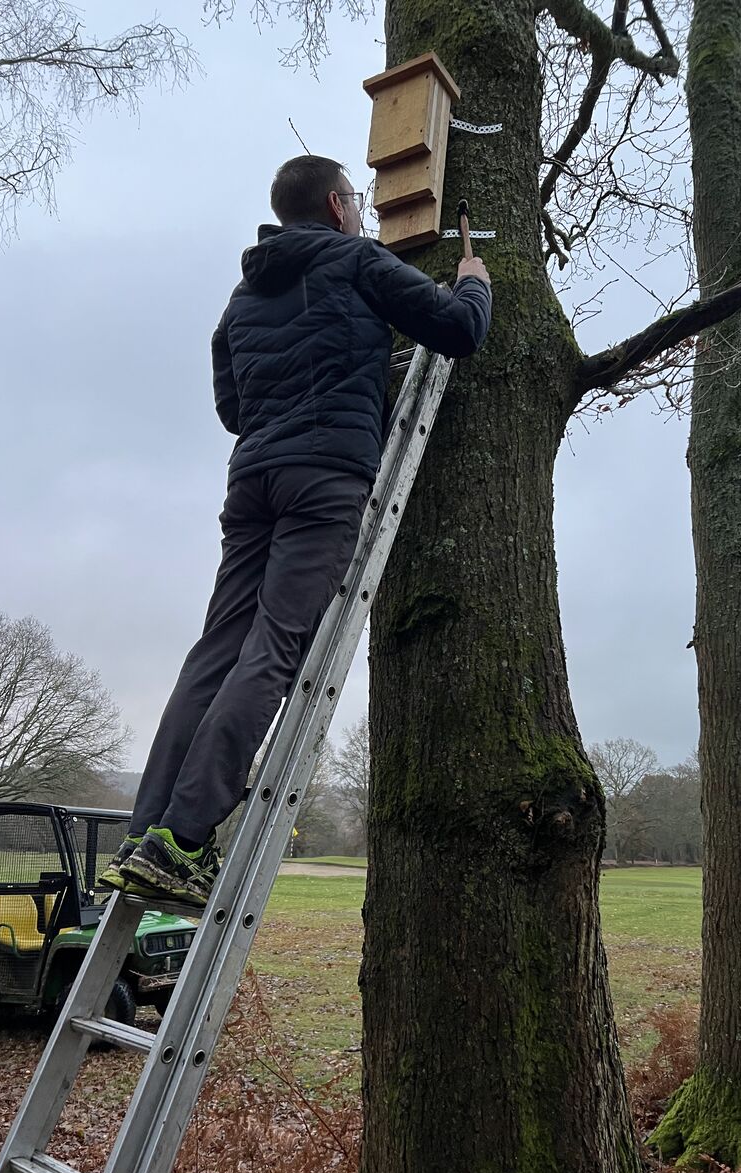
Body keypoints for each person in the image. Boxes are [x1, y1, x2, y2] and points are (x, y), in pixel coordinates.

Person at [99, 155, 492, 907]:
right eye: (355, 198)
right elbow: (457, 329)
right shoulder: (355, 260)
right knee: (275, 646)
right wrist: (472, 276)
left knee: (216, 650)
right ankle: (182, 840)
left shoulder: (241, 300)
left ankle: (145, 832)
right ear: (339, 206)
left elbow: (232, 409)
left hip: (252, 483)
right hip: (324, 478)